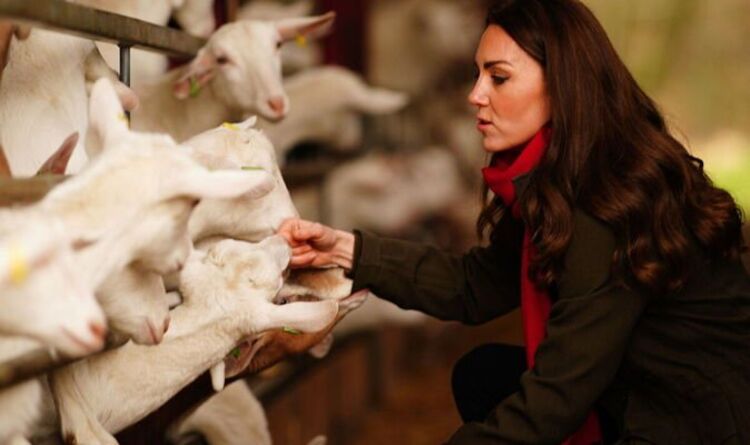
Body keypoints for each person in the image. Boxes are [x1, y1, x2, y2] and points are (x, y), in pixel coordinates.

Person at [277, 0, 750, 443]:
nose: (474, 95)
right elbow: (474, 286)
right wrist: (348, 252)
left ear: (563, 84)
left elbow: (556, 398)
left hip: (695, 420)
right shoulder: (559, 177)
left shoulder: (606, 202)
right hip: (640, 384)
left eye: (498, 78)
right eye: (477, 74)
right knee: (484, 375)